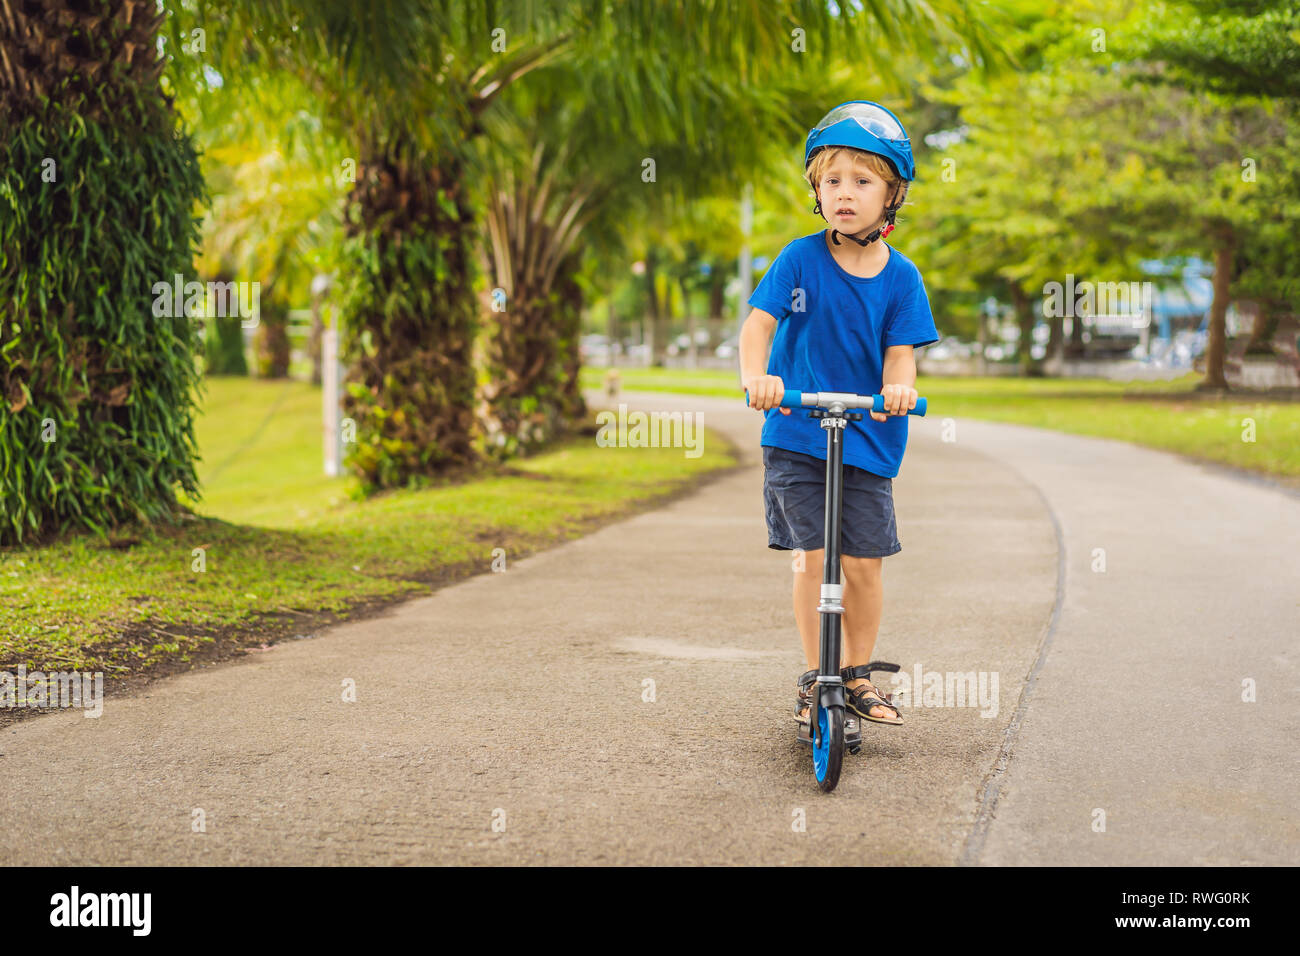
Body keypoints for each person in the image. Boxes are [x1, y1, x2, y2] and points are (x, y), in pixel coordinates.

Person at [738, 101, 939, 728]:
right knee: (811, 556)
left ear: (892, 195)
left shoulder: (902, 278)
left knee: (862, 565)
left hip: (869, 439)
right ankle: (815, 675)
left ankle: (854, 673)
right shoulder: (798, 260)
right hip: (797, 433)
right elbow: (759, 325)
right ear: (815, 190)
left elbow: (900, 357)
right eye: (832, 180)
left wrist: (897, 389)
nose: (844, 194)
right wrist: (757, 377)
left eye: (862, 180)